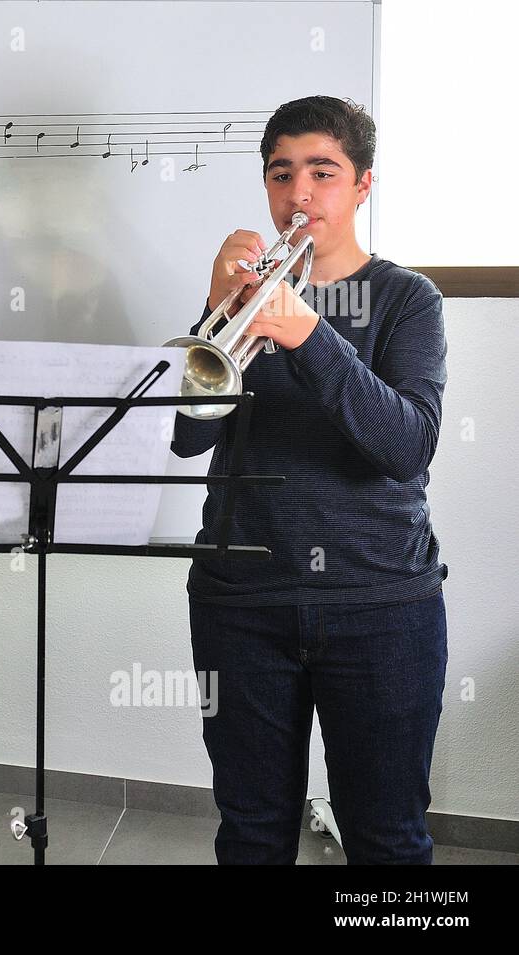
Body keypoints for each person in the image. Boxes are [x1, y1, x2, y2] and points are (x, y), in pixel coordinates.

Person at [171, 95, 448, 864]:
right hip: (241, 601)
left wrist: (308, 332)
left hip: (381, 604)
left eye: (323, 172)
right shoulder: (241, 303)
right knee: (252, 832)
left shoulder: (406, 299)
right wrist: (217, 308)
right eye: (282, 173)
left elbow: (407, 444)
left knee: (387, 838)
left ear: (362, 185)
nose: (299, 194)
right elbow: (188, 438)